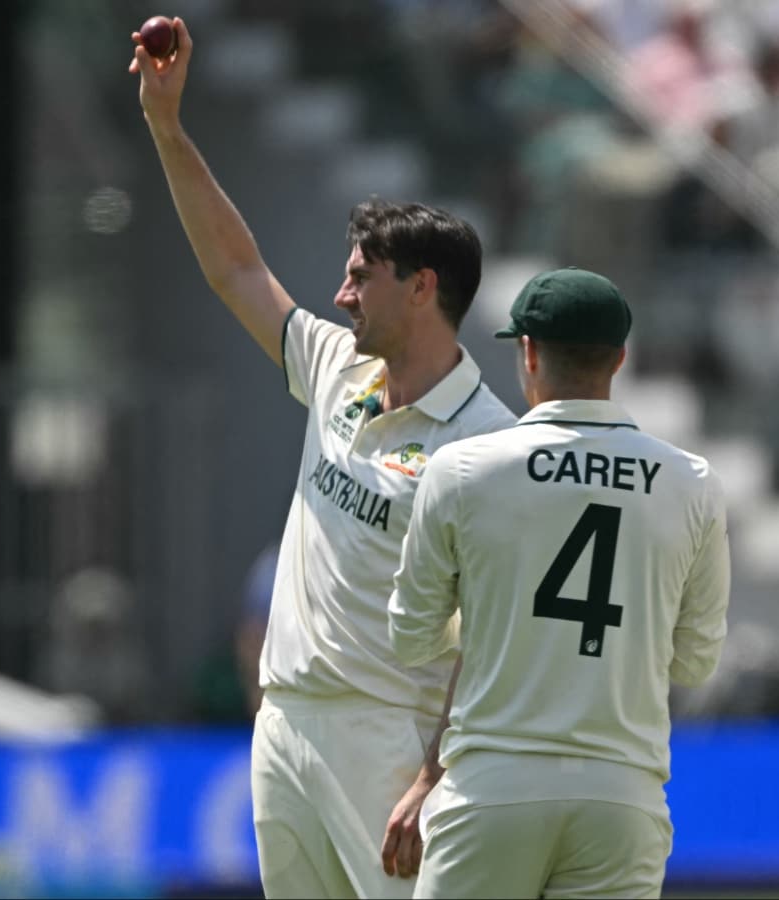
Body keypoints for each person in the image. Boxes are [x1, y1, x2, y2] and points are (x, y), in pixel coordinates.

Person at [129, 20, 518, 898]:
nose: (339, 296)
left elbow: (496, 639)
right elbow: (236, 270)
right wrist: (167, 126)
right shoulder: (339, 366)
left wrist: (435, 774)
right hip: (285, 722)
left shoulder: (489, 442)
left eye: (359, 278)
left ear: (421, 288)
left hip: (391, 743)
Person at [387, 267, 731, 899]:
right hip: (622, 793)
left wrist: (497, 616)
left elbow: (410, 637)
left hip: (492, 787)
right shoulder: (692, 481)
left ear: (528, 352)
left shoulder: (462, 470)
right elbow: (695, 662)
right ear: (621, 356)